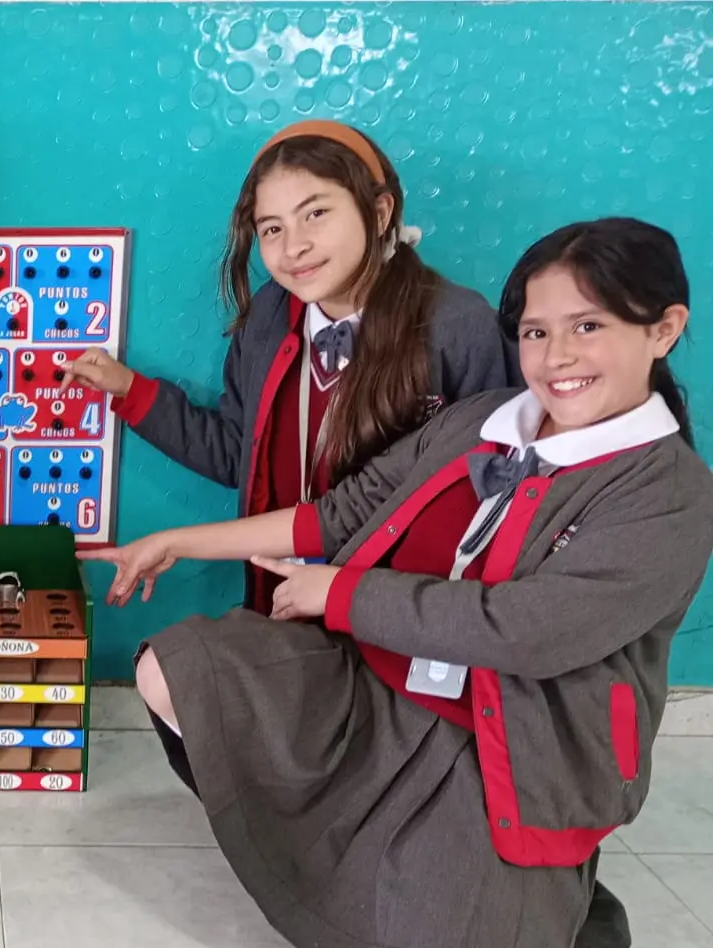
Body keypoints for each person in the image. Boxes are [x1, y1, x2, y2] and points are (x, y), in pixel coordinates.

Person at [84, 217, 712, 948]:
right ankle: (373, 871)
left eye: (588, 326)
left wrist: (343, 594)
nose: (558, 356)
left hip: (498, 752)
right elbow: (340, 513)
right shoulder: (482, 420)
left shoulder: (670, 495)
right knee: (177, 672)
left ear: (663, 329)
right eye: (536, 331)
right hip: (378, 690)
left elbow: (528, 631)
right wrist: (176, 541)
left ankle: (556, 912)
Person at [66, 119, 522, 613]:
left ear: (380, 211)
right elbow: (236, 454)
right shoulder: (269, 316)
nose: (293, 247)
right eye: (272, 229)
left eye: (316, 213)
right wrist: (130, 391)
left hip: (398, 621)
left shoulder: (457, 326)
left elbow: (496, 499)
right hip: (281, 610)